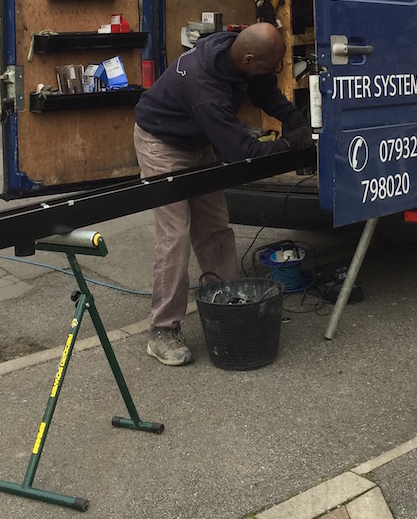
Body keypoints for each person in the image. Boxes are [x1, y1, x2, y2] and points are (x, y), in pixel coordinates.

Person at [134, 22, 313, 366]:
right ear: (247, 59)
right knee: (176, 234)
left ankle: (232, 305)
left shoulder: (237, 52)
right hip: (162, 143)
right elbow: (241, 151)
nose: (271, 72)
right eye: (268, 66)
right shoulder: (204, 86)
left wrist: (295, 120)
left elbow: (265, 92)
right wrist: (289, 144)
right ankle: (162, 331)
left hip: (198, 139)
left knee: (215, 225)